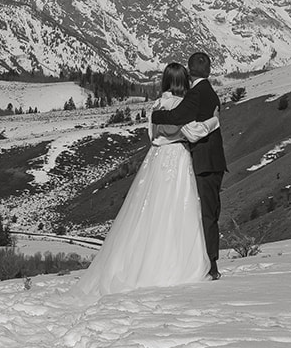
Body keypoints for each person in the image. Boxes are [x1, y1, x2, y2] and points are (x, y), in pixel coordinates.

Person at [73, 62, 215, 296]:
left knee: (148, 209)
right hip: (177, 155)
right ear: (184, 82)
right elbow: (192, 132)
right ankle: (176, 264)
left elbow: (151, 134)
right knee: (178, 208)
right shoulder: (180, 105)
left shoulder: (157, 104)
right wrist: (213, 121)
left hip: (156, 157)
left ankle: (137, 262)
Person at [151, 51, 226, 278]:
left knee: (190, 213)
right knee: (203, 213)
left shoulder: (187, 97)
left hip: (198, 161)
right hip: (204, 160)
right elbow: (187, 127)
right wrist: (214, 120)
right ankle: (208, 263)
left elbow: (177, 121)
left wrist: (155, 117)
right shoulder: (209, 93)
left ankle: (206, 263)